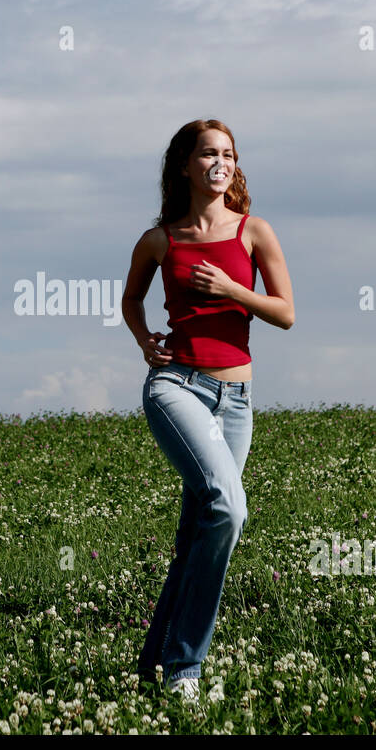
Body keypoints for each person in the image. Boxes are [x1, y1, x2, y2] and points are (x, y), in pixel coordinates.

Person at [121, 119, 295, 701]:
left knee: (199, 531)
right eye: (208, 153)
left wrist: (232, 290)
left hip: (237, 400)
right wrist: (146, 341)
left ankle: (154, 664)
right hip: (177, 387)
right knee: (228, 506)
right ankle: (185, 669)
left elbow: (285, 312)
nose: (220, 162)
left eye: (228, 153)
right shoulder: (160, 239)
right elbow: (130, 300)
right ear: (185, 167)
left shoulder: (254, 233)